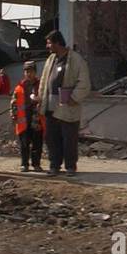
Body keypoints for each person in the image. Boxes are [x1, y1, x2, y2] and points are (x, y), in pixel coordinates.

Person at [40, 30, 91, 177]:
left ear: (57, 43)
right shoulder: (51, 59)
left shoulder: (76, 59)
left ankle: (70, 166)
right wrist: (40, 99)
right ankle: (54, 165)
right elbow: (44, 81)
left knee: (69, 137)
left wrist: (74, 97)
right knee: (51, 137)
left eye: (49, 43)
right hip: (50, 105)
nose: (47, 46)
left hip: (68, 106)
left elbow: (84, 83)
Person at [12, 60, 45, 172]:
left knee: (37, 143)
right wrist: (14, 115)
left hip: (37, 119)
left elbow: (45, 99)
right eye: (26, 71)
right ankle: (24, 164)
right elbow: (14, 102)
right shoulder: (19, 87)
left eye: (30, 71)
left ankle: (36, 164)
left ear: (35, 72)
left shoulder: (41, 85)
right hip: (23, 119)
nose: (28, 73)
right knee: (24, 143)